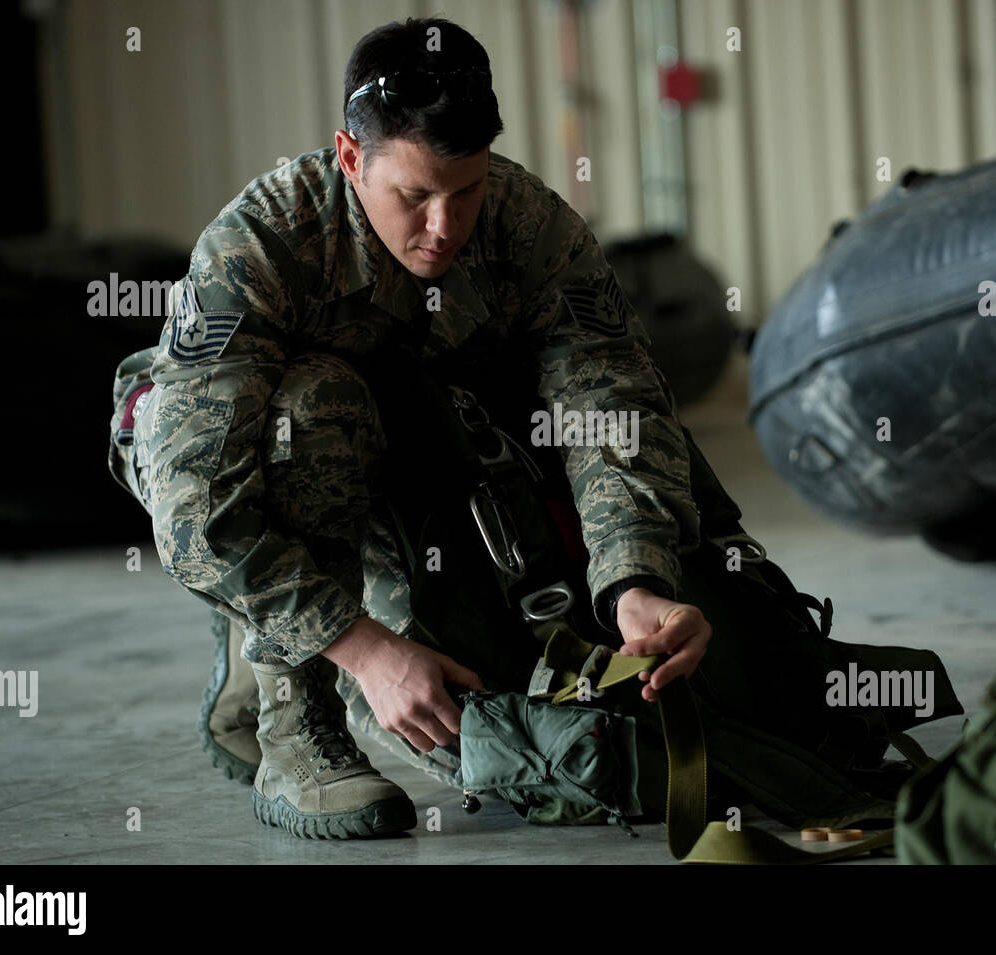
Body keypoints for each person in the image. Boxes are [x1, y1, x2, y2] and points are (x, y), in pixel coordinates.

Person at [128, 16, 713, 839]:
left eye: (465, 191)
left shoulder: (528, 225)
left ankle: (280, 640)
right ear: (349, 156)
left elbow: (611, 404)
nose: (444, 227)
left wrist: (633, 579)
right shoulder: (259, 244)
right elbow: (194, 513)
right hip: (255, 449)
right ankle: (297, 729)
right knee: (316, 410)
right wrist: (365, 650)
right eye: (414, 197)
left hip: (420, 449)